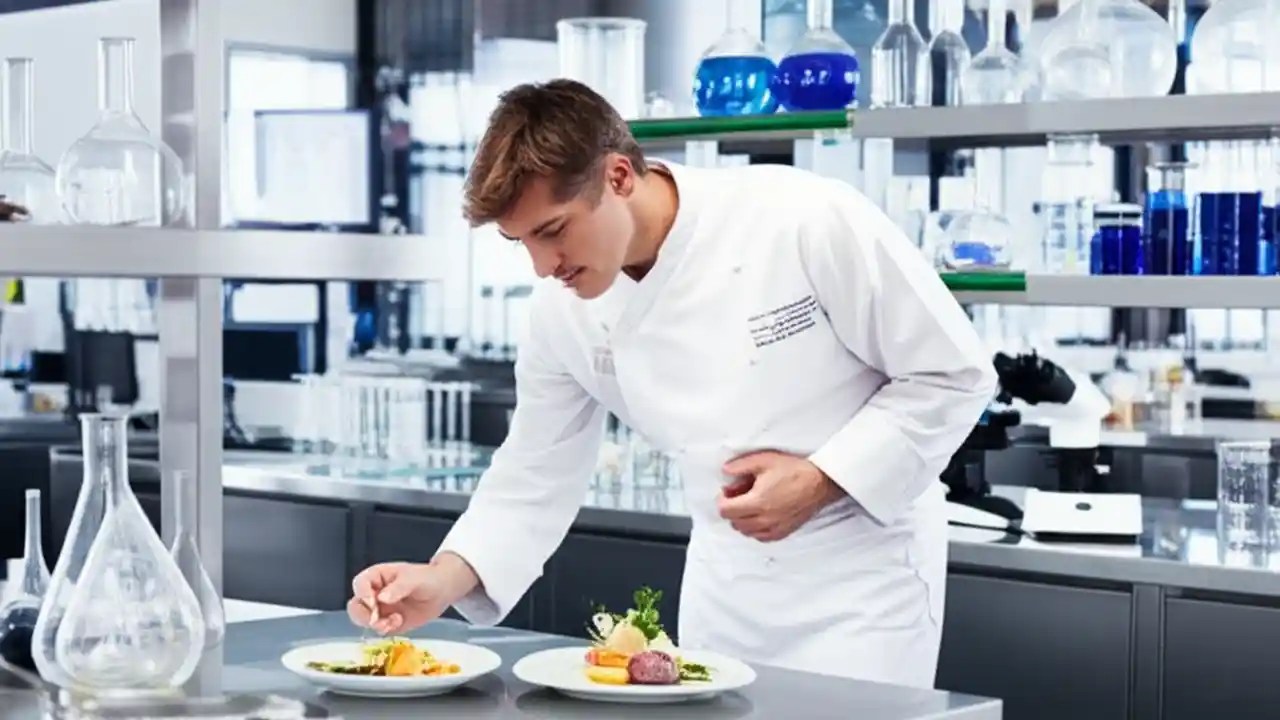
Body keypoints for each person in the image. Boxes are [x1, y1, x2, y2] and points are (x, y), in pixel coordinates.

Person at [347, 79, 997, 688]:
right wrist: (443, 579)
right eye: (522, 243)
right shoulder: (561, 310)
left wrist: (822, 480)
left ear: (618, 176)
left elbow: (953, 374)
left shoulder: (801, 217)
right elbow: (534, 469)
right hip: (726, 590)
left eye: (553, 231)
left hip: (862, 589)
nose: (544, 266)